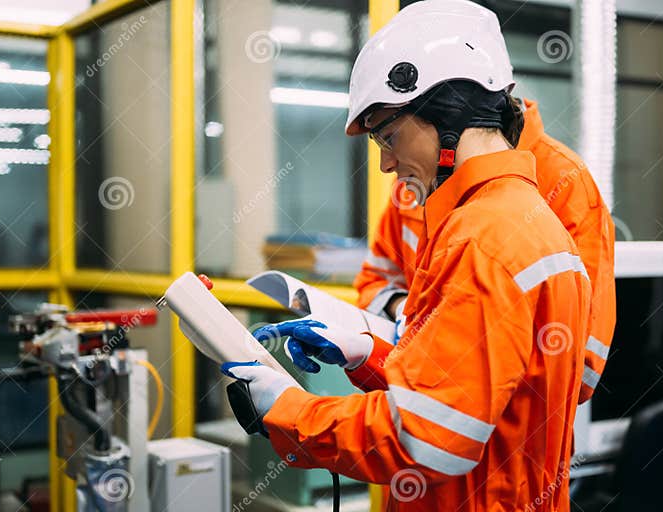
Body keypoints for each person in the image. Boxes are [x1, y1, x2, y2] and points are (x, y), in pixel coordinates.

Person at [223, 1, 591, 509]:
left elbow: (425, 441)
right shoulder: (518, 217)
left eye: (389, 136)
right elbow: (469, 397)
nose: (386, 163)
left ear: (447, 113)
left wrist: (289, 411)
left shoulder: (482, 237)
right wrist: (367, 355)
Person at [355, 99, 615, 406]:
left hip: (511, 440)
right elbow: (373, 284)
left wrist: (444, 354)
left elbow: (579, 372)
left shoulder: (565, 181)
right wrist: (402, 314)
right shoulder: (412, 184)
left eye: (391, 137)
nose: (386, 164)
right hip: (421, 410)